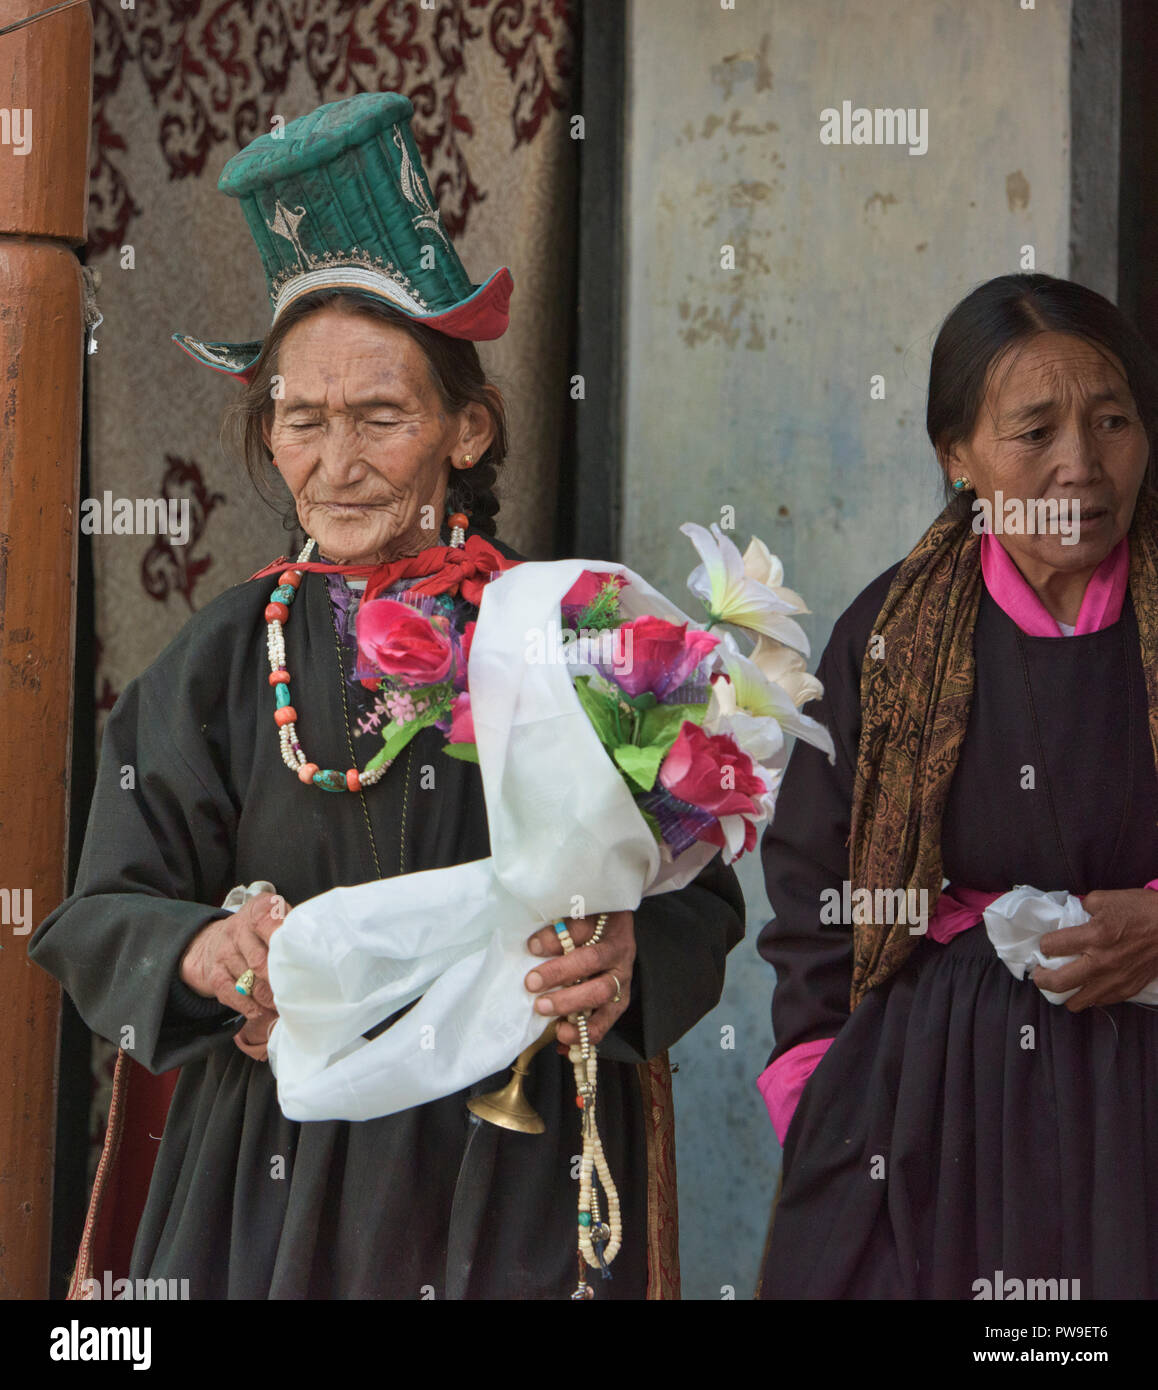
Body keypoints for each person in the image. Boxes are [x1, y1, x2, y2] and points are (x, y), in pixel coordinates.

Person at [31, 92, 744, 1300]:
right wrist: (206, 950)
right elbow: (100, 913)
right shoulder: (215, 663)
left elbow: (700, 894)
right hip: (273, 1170)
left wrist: (628, 953)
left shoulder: (575, 631)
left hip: (512, 1160)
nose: (337, 459)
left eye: (382, 416)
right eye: (301, 420)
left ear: (467, 429)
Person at [756, 273, 1158, 1299]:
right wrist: (819, 1088)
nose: (1082, 462)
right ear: (959, 457)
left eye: (1112, 420)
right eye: (1035, 431)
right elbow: (816, 881)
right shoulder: (893, 637)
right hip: (941, 1092)